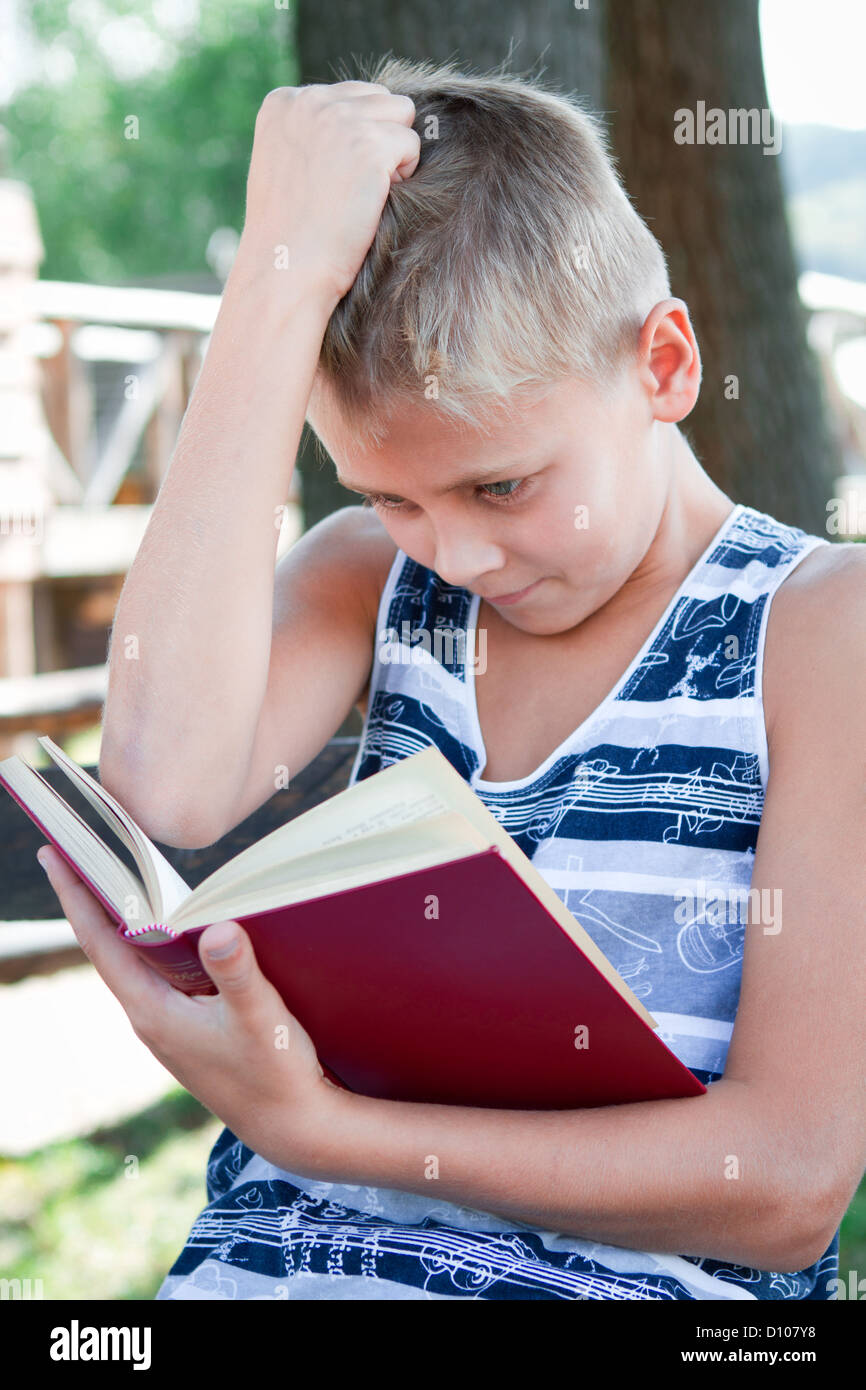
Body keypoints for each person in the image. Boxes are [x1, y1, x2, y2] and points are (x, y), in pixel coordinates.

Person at [38, 56, 865, 1301]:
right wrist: (273, 288)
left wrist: (322, 1131)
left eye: (500, 486)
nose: (457, 554)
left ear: (664, 366)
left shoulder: (817, 630)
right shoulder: (372, 581)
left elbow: (791, 1186)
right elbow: (161, 788)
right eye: (388, 493)